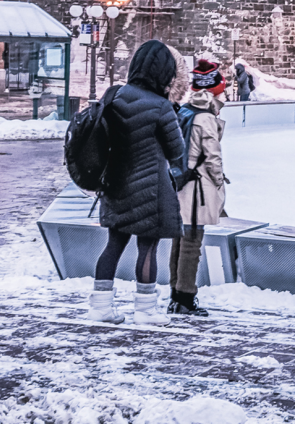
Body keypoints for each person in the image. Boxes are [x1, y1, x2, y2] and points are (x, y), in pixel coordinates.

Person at [88, 40, 187, 324]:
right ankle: (145, 311)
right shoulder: (161, 107)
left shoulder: (113, 95)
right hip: (151, 191)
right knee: (147, 249)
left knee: (113, 246)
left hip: (115, 185)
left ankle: (100, 308)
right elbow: (176, 152)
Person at [169, 59, 228, 316]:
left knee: (179, 240)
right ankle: (185, 298)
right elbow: (213, 158)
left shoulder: (186, 110)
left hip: (180, 183)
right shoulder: (205, 117)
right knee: (192, 242)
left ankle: (176, 295)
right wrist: (218, 185)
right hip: (197, 190)